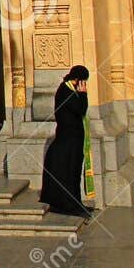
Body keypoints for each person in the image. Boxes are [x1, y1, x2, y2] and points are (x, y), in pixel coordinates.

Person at [39, 65, 92, 217]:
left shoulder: (69, 89)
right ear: (76, 79)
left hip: (73, 141)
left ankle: (76, 203)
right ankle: (68, 205)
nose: (84, 84)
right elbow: (81, 110)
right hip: (67, 141)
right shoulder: (66, 91)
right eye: (82, 81)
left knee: (74, 174)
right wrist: (83, 95)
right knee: (68, 173)